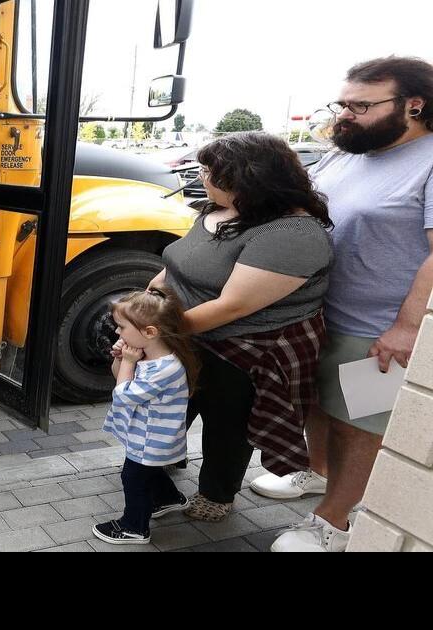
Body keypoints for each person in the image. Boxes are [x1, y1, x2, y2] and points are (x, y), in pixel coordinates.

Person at [259, 57, 433, 553]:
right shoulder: (350, 152)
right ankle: (316, 472)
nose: (346, 114)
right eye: (343, 103)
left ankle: (334, 521)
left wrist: (406, 327)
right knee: (316, 402)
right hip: (315, 311)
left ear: (413, 105)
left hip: (377, 325)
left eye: (361, 105)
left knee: (360, 425)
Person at [150, 132, 334, 523]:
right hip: (188, 335)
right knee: (171, 404)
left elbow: (232, 305)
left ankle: (217, 495)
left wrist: (152, 331)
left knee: (227, 423)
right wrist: (154, 291)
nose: (201, 177)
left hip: (242, 349)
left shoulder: (289, 234)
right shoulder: (216, 211)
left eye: (209, 171)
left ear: (246, 178)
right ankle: (159, 462)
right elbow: (181, 261)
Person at [92, 289, 197, 546]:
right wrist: (121, 359)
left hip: (152, 438)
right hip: (148, 435)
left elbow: (123, 395)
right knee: (148, 470)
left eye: (122, 327)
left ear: (149, 332)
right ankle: (169, 499)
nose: (117, 332)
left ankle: (134, 527)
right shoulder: (150, 356)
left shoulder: (164, 369)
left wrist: (128, 363)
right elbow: (119, 376)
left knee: (133, 477)